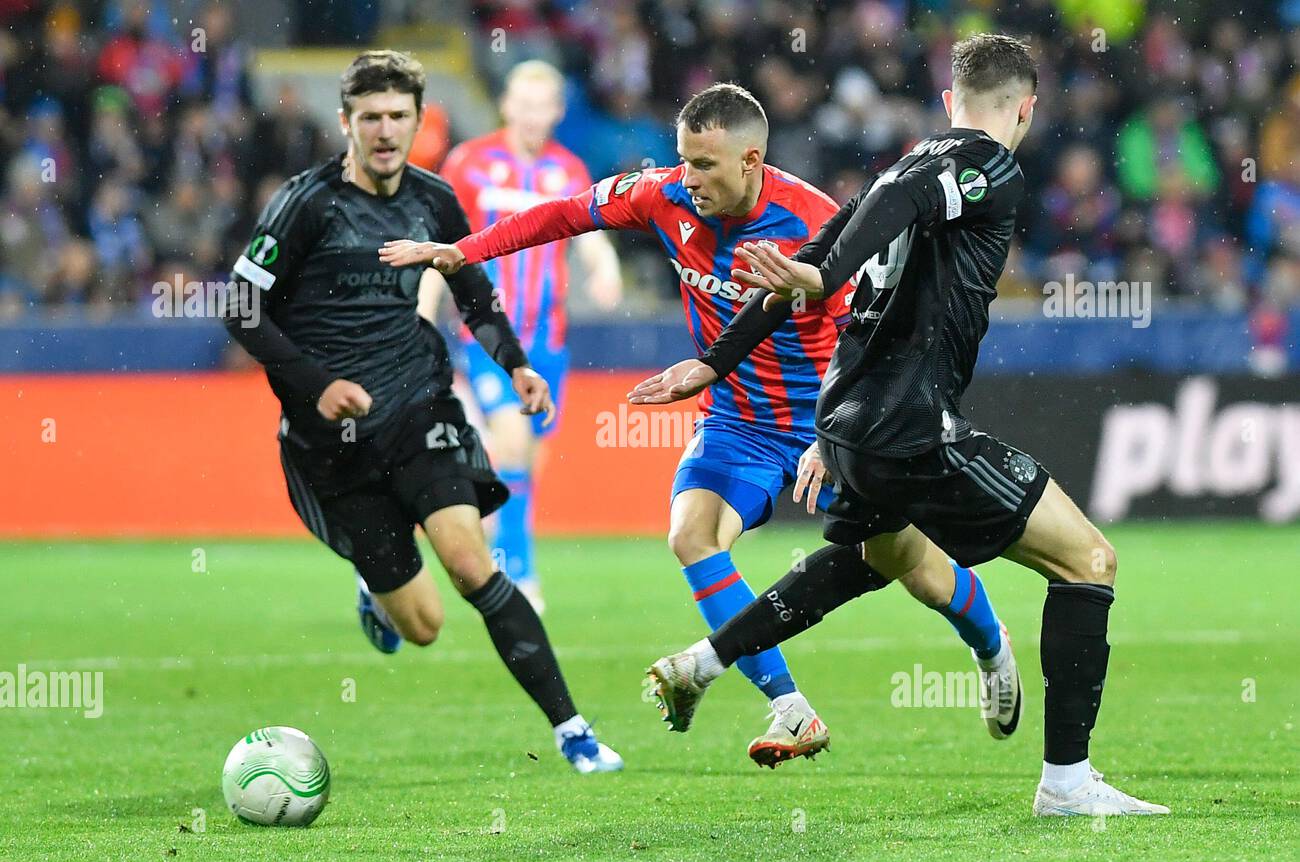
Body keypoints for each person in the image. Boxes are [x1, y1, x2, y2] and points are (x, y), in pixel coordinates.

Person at [379, 82, 1021, 768]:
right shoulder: (665, 195)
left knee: (909, 564)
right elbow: (565, 215)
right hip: (739, 421)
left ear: (751, 160)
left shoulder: (815, 222)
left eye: (705, 165)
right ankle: (790, 710)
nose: (690, 179)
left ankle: (992, 646)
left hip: (826, 422)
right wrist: (465, 252)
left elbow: (870, 338)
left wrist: (838, 432)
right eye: (684, 160)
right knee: (692, 534)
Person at [634, 35, 1167, 815]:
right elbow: (824, 259)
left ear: (949, 101)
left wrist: (718, 359)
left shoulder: (905, 163)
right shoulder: (988, 166)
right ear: (1027, 107)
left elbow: (805, 259)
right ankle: (1067, 783)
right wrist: (824, 275)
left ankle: (700, 665)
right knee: (1090, 560)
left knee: (870, 560)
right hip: (910, 423)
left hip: (846, 417)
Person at [220, 50, 622, 774]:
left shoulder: (436, 201)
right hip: (332, 442)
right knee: (426, 627)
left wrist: (517, 364)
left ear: (416, 121)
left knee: (472, 564)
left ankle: (575, 732)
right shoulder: (306, 204)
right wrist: (315, 384)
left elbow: (472, 293)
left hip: (418, 408)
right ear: (345, 122)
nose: (383, 130)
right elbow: (240, 306)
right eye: (369, 117)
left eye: (397, 116)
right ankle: (378, 592)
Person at [438, 60, 623, 613]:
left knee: (530, 460)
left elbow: (589, 231)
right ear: (506, 105)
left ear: (557, 111)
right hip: (489, 333)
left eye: (544, 104)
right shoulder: (470, 164)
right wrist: (424, 310)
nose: (533, 113)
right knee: (514, 442)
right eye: (524, 101)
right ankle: (517, 571)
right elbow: (442, 241)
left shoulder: (567, 171)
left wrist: (604, 265)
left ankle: (499, 526)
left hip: (549, 337)